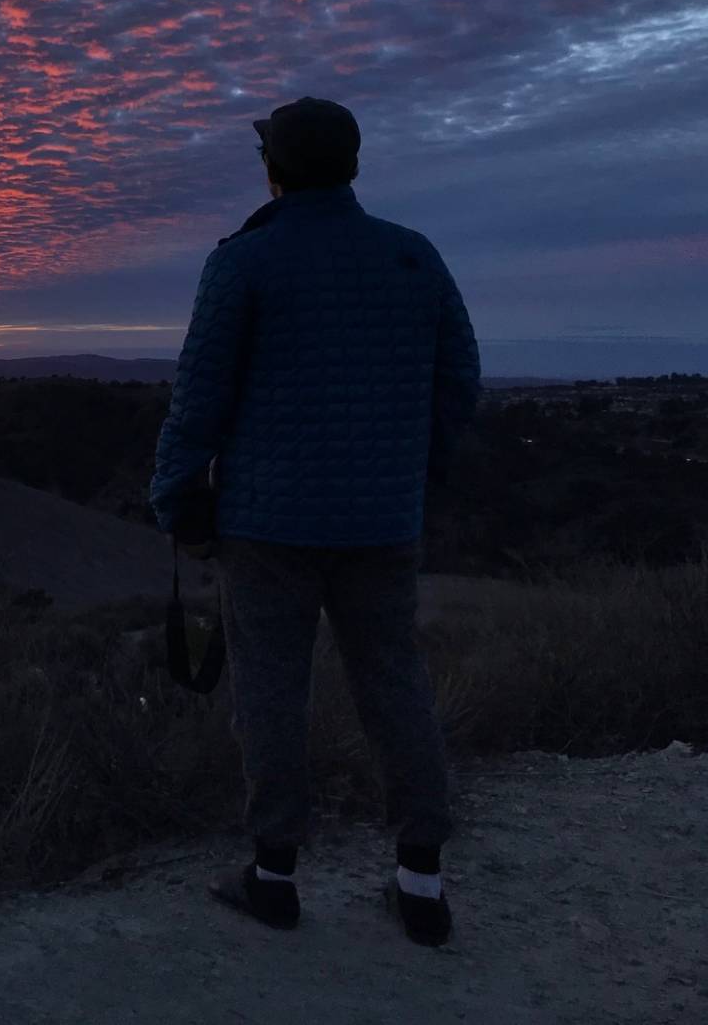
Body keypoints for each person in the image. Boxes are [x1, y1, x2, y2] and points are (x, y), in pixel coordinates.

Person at [148, 97, 482, 947]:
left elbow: (199, 396)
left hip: (268, 524)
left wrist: (178, 498)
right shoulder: (415, 255)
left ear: (276, 169)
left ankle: (274, 876)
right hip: (381, 520)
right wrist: (421, 473)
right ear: (353, 167)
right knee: (394, 683)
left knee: (270, 693)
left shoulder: (245, 262)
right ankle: (421, 884)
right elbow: (460, 380)